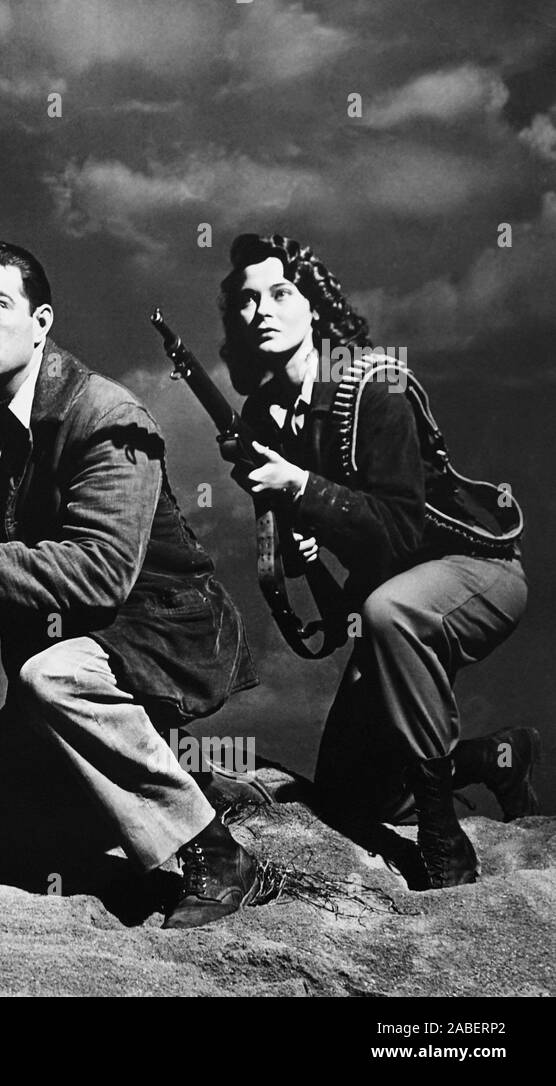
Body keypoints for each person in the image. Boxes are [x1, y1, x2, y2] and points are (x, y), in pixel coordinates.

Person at [0, 240, 263, 929]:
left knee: (52, 681)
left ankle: (217, 852)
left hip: (160, 632)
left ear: (41, 321)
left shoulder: (107, 417)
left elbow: (102, 568)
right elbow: (9, 537)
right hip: (77, 645)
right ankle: (198, 780)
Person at [217, 232, 537, 889]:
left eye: (281, 292)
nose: (261, 310)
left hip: (477, 572)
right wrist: (292, 531)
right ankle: (495, 759)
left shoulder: (374, 386)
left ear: (313, 306)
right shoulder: (264, 416)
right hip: (390, 599)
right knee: (345, 797)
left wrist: (301, 488)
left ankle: (446, 842)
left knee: (391, 612)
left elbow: (396, 530)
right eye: (246, 301)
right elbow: (333, 543)